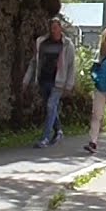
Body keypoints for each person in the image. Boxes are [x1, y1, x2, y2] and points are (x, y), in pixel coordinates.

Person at [23, 18, 76, 148]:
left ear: (60, 28)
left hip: (58, 81)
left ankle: (45, 137)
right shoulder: (42, 42)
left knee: (50, 106)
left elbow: (71, 66)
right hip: (43, 79)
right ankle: (59, 131)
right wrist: (26, 80)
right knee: (50, 108)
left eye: (56, 28)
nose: (54, 30)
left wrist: (69, 85)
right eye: (51, 28)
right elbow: (34, 62)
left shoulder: (67, 45)